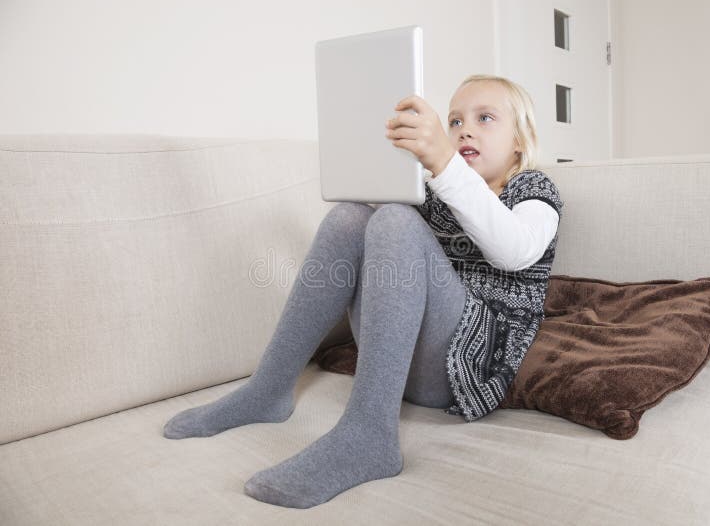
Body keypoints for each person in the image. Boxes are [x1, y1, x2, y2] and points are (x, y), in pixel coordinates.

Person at [162, 74, 564, 509]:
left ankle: (370, 434)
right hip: (402, 362)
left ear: (519, 140)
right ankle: (268, 390)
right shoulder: (436, 192)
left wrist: (446, 165)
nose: (465, 130)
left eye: (485, 118)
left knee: (395, 220)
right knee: (350, 216)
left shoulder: (533, 192)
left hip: (467, 368)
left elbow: (514, 251)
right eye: (454, 121)